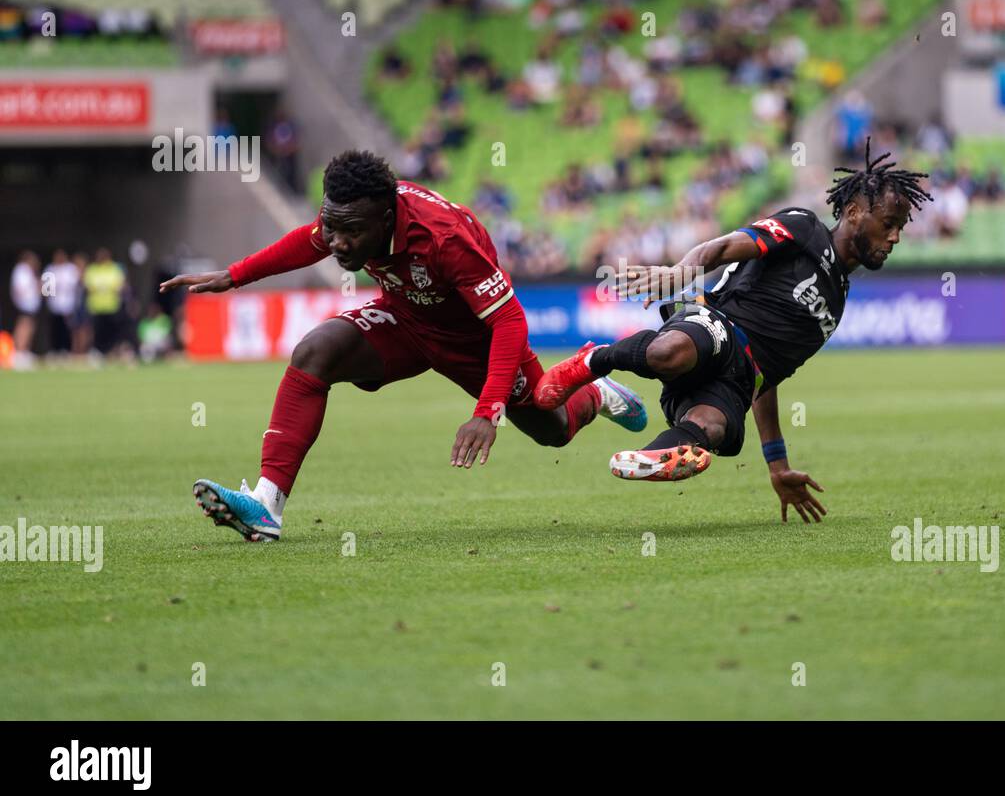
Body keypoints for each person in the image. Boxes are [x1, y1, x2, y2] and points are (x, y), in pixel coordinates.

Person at [160, 150, 646, 542]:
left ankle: (594, 387)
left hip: (473, 342)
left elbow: (509, 319)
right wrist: (235, 275)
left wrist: (487, 410)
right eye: (333, 225)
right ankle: (267, 505)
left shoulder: (443, 238)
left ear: (386, 218)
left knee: (552, 428)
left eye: (352, 232)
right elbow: (309, 241)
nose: (339, 242)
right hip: (405, 320)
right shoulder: (349, 214)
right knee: (315, 351)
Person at [532, 141, 933, 523]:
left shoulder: (837, 301)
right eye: (889, 224)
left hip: (740, 378)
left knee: (713, 428)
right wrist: (678, 275)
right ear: (854, 212)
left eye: (899, 227)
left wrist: (777, 466)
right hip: (718, 327)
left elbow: (767, 380)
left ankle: (646, 456)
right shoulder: (805, 229)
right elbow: (720, 249)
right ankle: (594, 361)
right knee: (669, 352)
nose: (895, 237)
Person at [83, 248, 126, 358]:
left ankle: (110, 351)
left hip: (111, 306)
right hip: (96, 306)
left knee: (111, 331)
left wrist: (104, 287)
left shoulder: (114, 268)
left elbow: (119, 285)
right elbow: (88, 285)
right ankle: (97, 351)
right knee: (97, 331)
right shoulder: (92, 269)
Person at [43, 249, 81, 358]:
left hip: (67, 305)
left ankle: (67, 350)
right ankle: (55, 350)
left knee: (67, 329)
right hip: (54, 305)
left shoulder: (70, 269)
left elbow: (75, 286)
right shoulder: (50, 269)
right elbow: (46, 290)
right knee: (55, 329)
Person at [9, 251, 41, 370]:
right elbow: (20, 288)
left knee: (29, 327)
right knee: (23, 327)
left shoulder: (29, 271)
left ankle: (24, 350)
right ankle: (19, 352)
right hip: (25, 304)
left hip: (30, 305)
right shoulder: (21, 270)